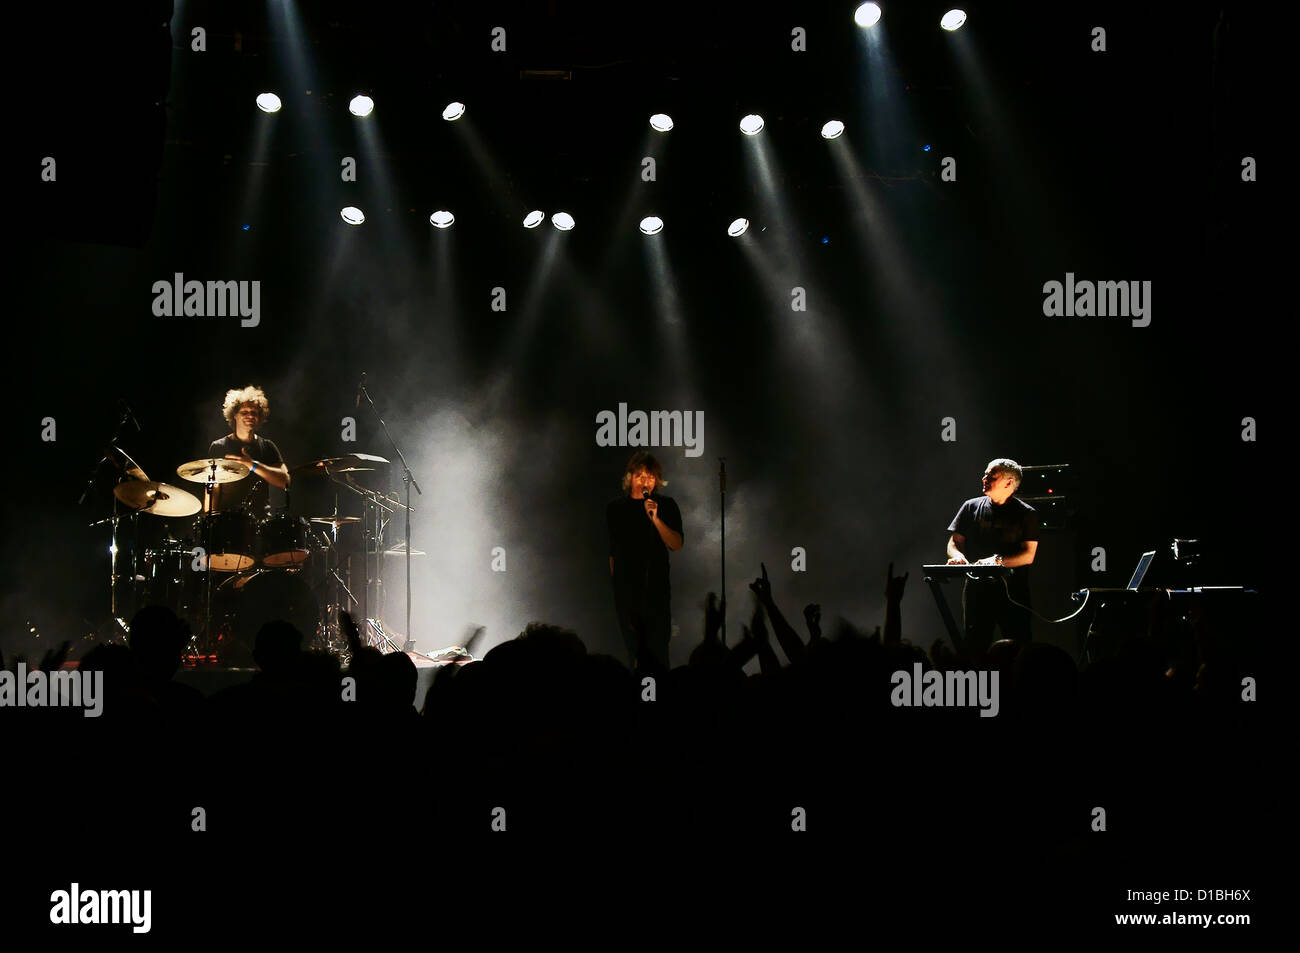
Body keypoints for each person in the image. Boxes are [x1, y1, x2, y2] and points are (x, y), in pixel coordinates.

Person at [946, 458, 1038, 657]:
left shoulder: (1026, 514)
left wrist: (996, 561)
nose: (984, 478)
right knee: (974, 645)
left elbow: (1028, 555)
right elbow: (954, 542)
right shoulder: (970, 507)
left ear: (1009, 482)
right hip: (977, 591)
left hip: (1014, 593)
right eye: (985, 474)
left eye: (990, 476)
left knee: (1018, 648)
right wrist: (958, 556)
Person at [607, 451, 683, 672]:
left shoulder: (666, 505)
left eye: (650, 477)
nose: (645, 481)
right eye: (640, 475)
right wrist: (617, 591)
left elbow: (676, 544)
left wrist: (656, 519)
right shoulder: (615, 508)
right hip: (627, 595)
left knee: (658, 653)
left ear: (656, 480)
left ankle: (661, 698)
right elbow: (613, 553)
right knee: (634, 654)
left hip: (656, 593)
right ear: (630, 477)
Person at [206, 385, 290, 514]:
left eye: (254, 412)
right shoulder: (219, 446)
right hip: (225, 519)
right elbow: (212, 488)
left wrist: (252, 465)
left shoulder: (267, 446)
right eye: (244, 412)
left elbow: (285, 480)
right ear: (234, 415)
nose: (250, 416)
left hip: (258, 522)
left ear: (259, 416)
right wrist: (209, 517)